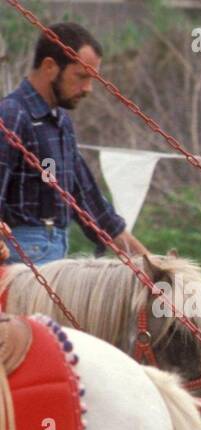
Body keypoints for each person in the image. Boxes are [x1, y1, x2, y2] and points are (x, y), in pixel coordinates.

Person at [0, 22, 149, 266]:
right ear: (50, 66)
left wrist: (151, 263)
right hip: (18, 264)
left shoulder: (61, 124)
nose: (88, 89)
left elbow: (92, 205)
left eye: (92, 79)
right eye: (81, 77)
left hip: (55, 256)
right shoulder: (12, 115)